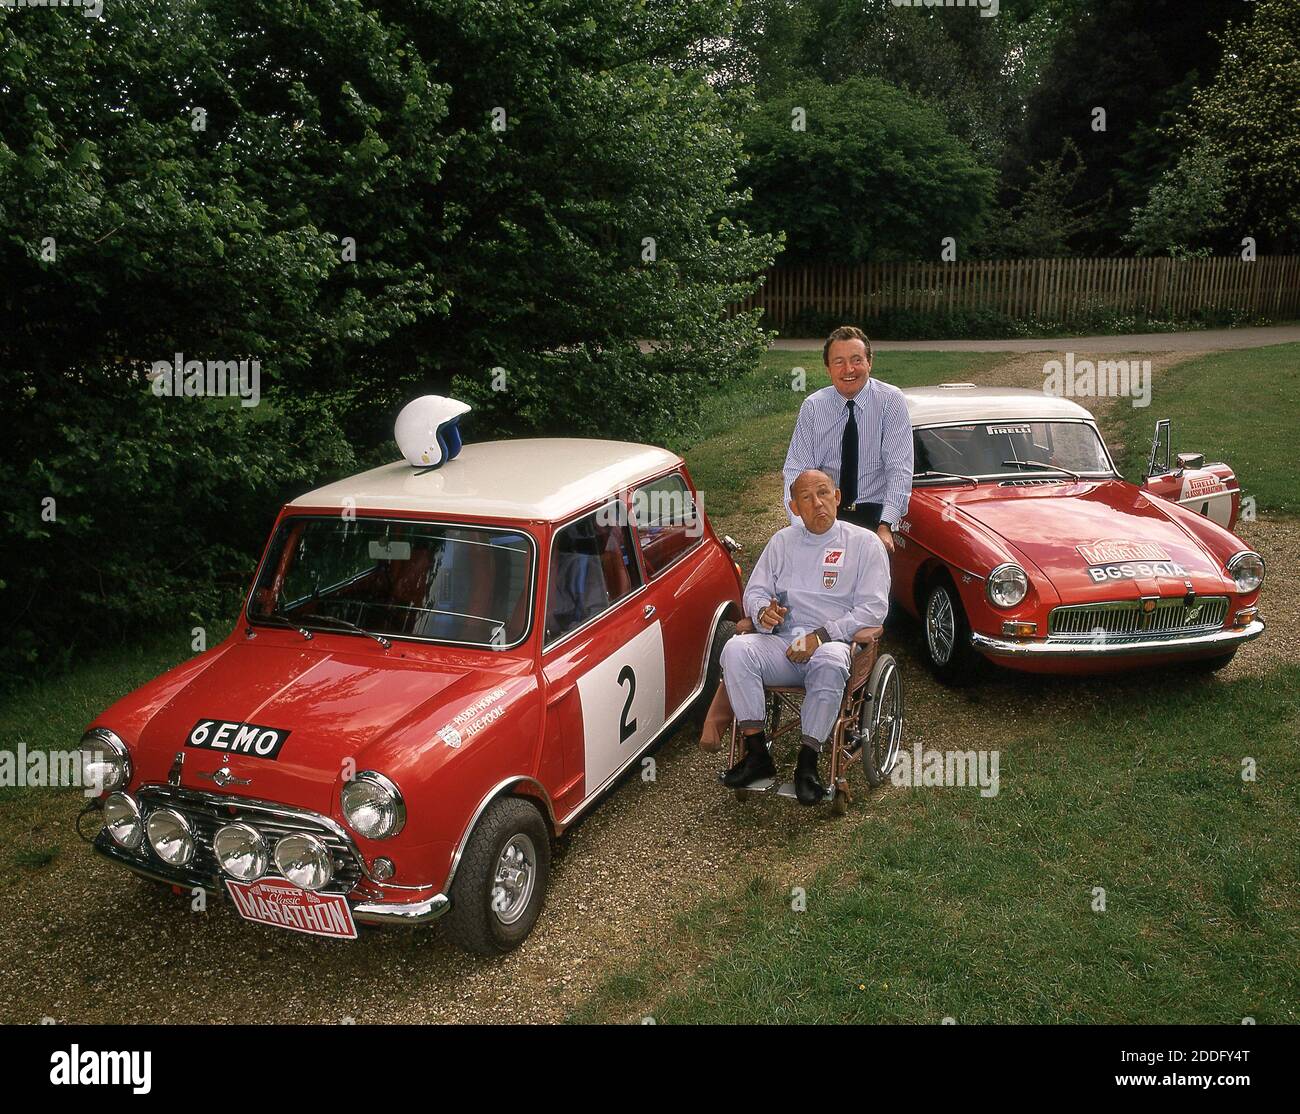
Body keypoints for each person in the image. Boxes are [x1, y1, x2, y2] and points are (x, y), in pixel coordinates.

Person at [720, 469, 890, 804]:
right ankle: (757, 755)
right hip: (783, 643)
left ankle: (808, 763)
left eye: (824, 493)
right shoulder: (782, 542)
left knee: (830, 660)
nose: (818, 503)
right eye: (807, 498)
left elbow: (873, 609)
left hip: (835, 645)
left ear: (837, 497)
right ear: (794, 507)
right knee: (736, 650)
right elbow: (754, 592)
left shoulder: (864, 544)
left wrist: (822, 636)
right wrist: (761, 612)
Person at [782, 325, 913, 554]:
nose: (849, 369)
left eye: (856, 360)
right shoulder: (813, 407)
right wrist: (803, 525)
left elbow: (899, 469)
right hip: (825, 511)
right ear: (828, 369)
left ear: (869, 362)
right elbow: (797, 470)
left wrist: (886, 525)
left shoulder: (891, 401)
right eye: (839, 362)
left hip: (873, 513)